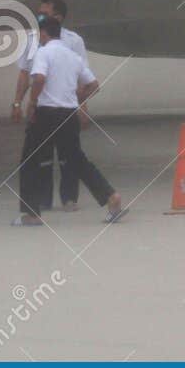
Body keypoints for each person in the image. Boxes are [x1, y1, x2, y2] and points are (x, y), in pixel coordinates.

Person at [14, 15, 125, 227]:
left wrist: (32, 102)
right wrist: (77, 100)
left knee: (30, 162)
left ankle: (31, 214)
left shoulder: (43, 53)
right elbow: (94, 85)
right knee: (77, 161)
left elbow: (38, 78)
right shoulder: (73, 57)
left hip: (46, 114)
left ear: (44, 33)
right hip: (68, 115)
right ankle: (111, 197)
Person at [10, 0, 88, 210]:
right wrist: (17, 102)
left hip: (67, 106)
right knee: (41, 156)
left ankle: (69, 198)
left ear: (58, 17)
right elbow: (25, 74)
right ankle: (43, 199)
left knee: (69, 155)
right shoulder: (32, 40)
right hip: (42, 108)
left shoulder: (74, 41)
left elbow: (83, 78)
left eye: (44, 13)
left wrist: (82, 106)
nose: (39, 17)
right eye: (39, 13)